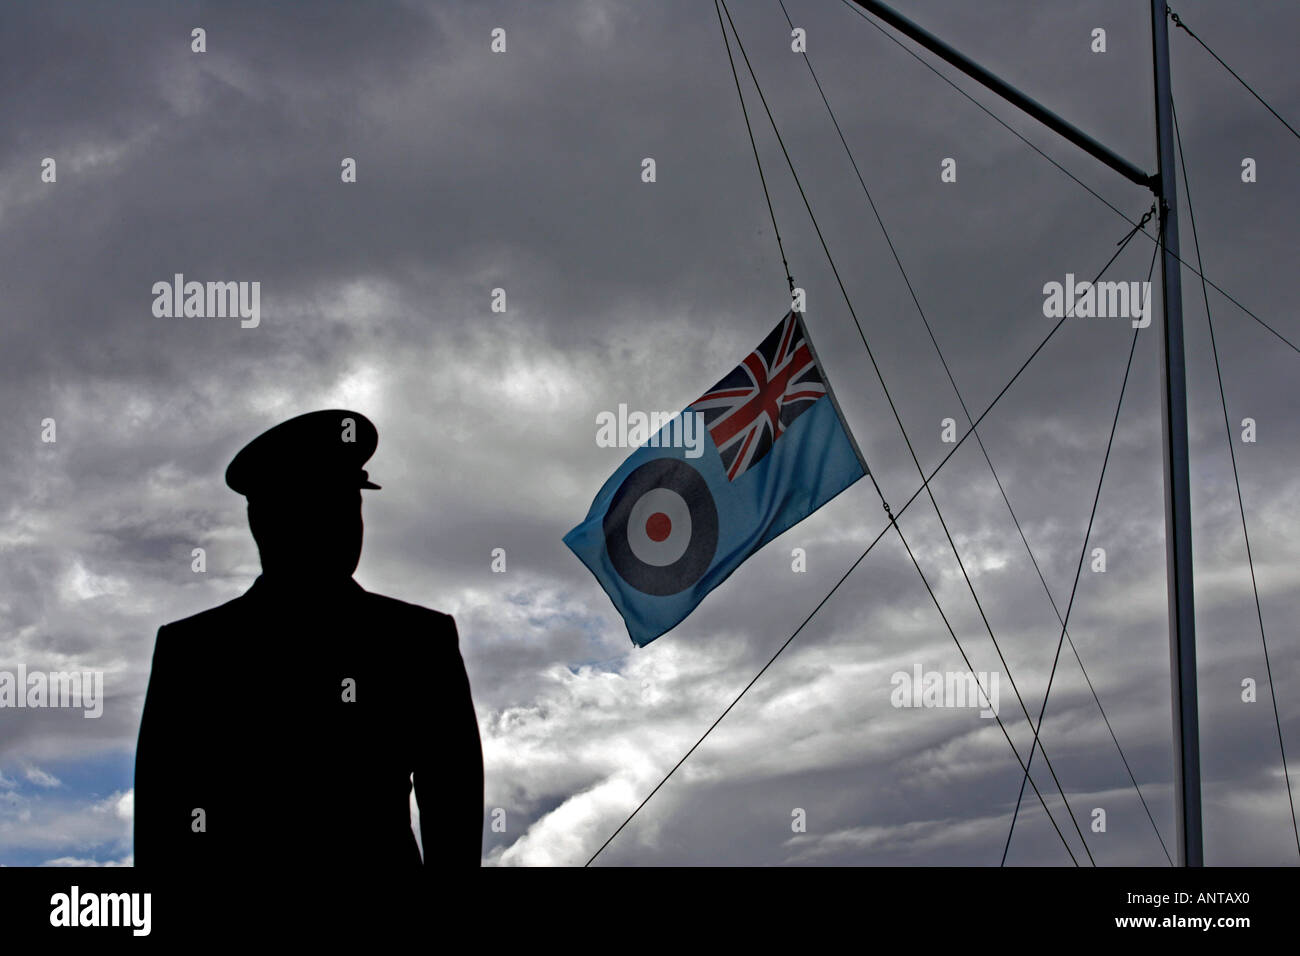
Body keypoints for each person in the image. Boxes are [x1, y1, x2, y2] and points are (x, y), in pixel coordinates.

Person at [134, 410, 483, 870]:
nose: (346, 526)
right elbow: (165, 816)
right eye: (323, 507)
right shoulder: (192, 650)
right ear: (267, 523)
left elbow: (452, 801)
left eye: (349, 506)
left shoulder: (420, 639)